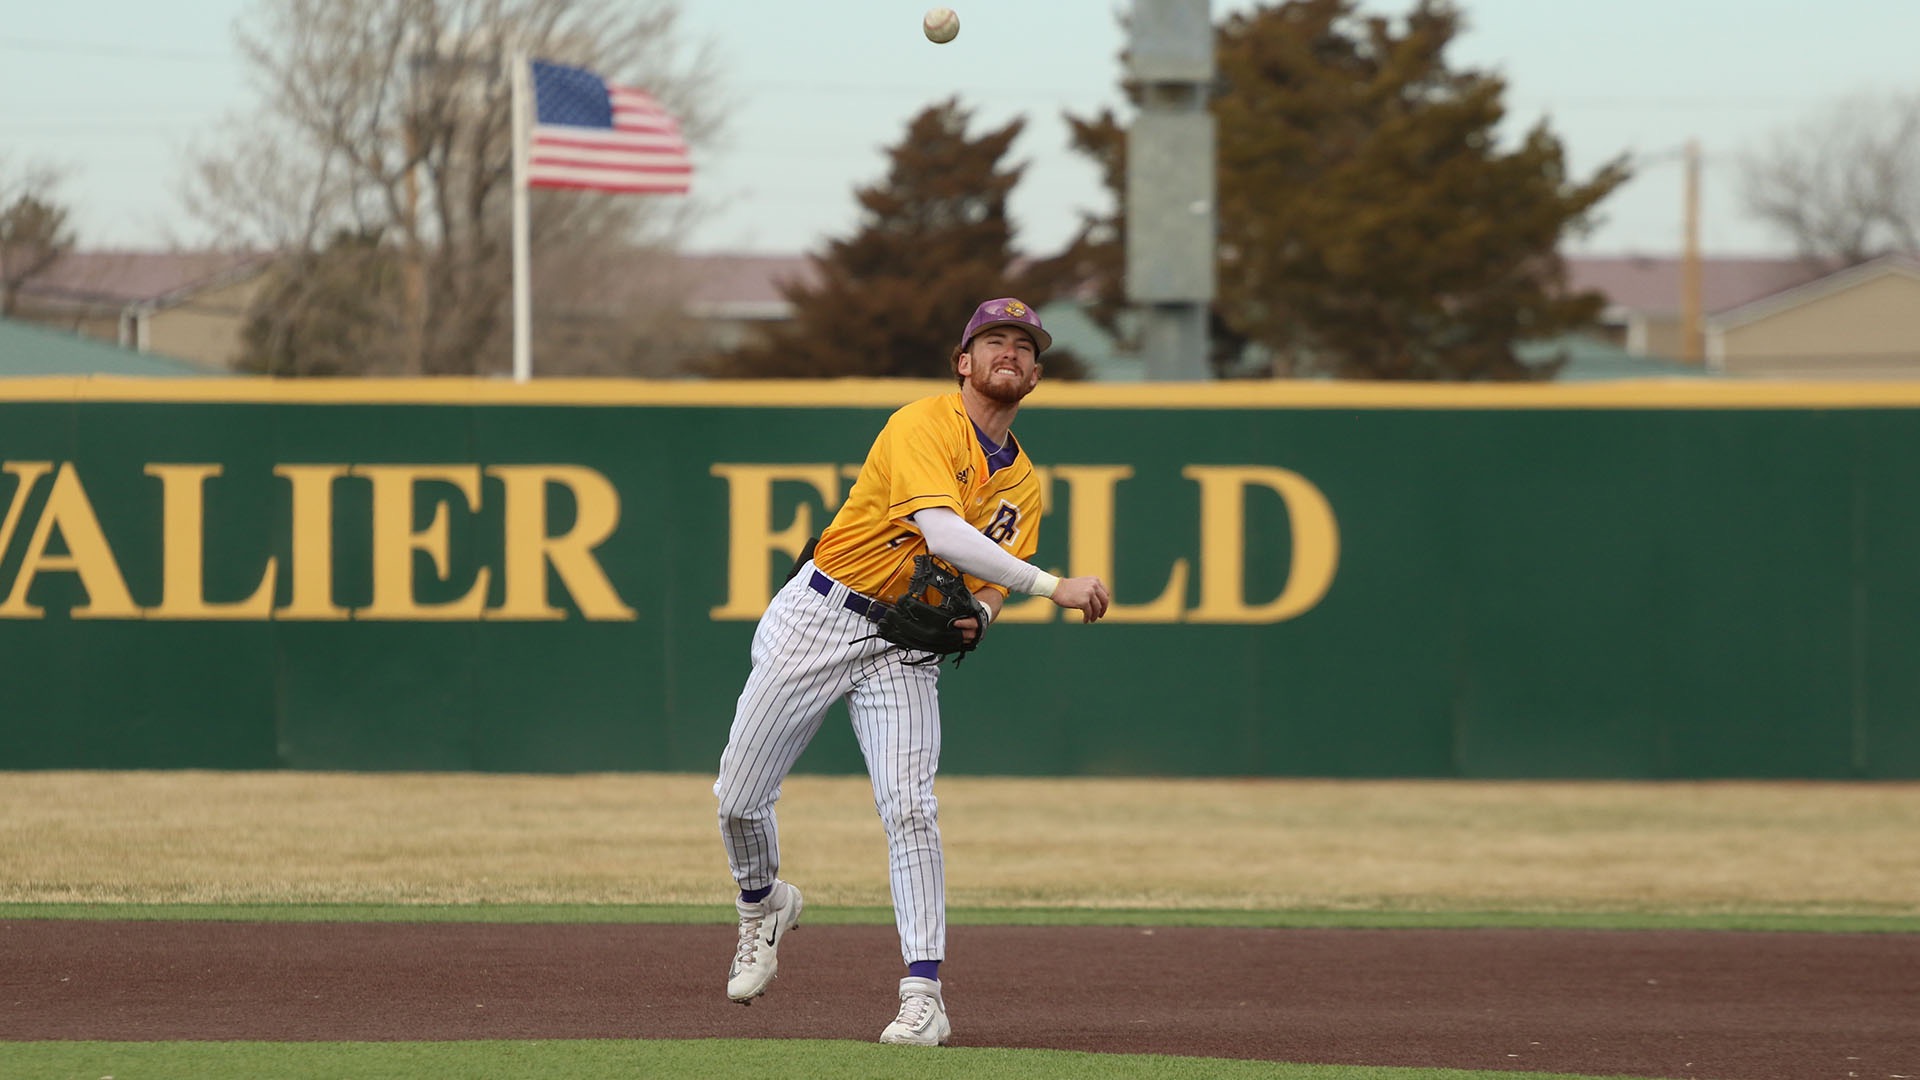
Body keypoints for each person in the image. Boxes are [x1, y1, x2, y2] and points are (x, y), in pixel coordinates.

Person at [713, 297, 1112, 1046]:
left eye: (1026, 347)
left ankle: (923, 994)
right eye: (995, 340)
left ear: (1035, 374)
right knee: (738, 797)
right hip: (823, 614)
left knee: (910, 808)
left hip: (904, 647)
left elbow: (984, 582)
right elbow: (942, 531)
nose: (1011, 353)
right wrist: (1051, 586)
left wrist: (983, 616)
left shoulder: (1023, 483)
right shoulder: (920, 424)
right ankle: (762, 900)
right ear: (963, 362)